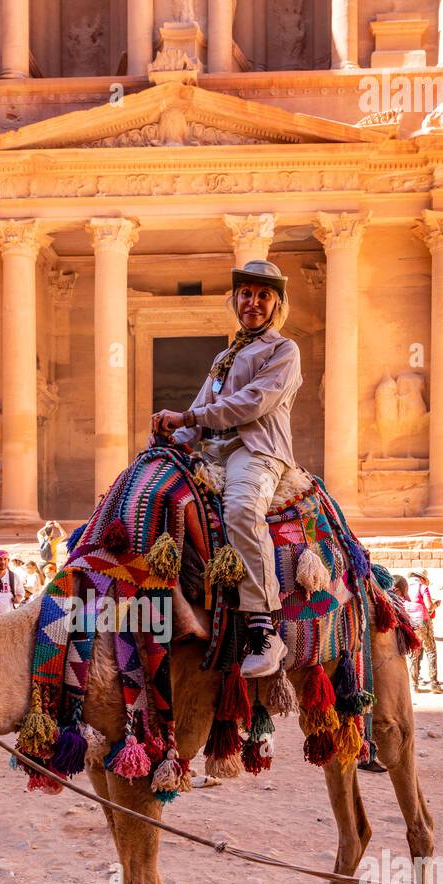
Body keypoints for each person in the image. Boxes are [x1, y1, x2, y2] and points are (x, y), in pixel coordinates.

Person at [151, 259, 301, 678]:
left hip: (255, 451)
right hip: (213, 451)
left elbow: (252, 403)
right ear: (236, 299)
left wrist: (187, 419)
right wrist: (169, 437)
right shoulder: (225, 356)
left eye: (263, 295)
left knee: (239, 509)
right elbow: (199, 410)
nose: (253, 302)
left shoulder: (283, 351)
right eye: (246, 294)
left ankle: (262, 629)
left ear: (276, 305)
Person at [405, 567, 442, 693]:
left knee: (413, 653)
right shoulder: (422, 587)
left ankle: (414, 685)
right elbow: (429, 606)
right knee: (431, 650)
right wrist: (436, 604)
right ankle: (434, 683)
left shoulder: (405, 586)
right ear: (422, 578)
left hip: (410, 622)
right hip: (423, 622)